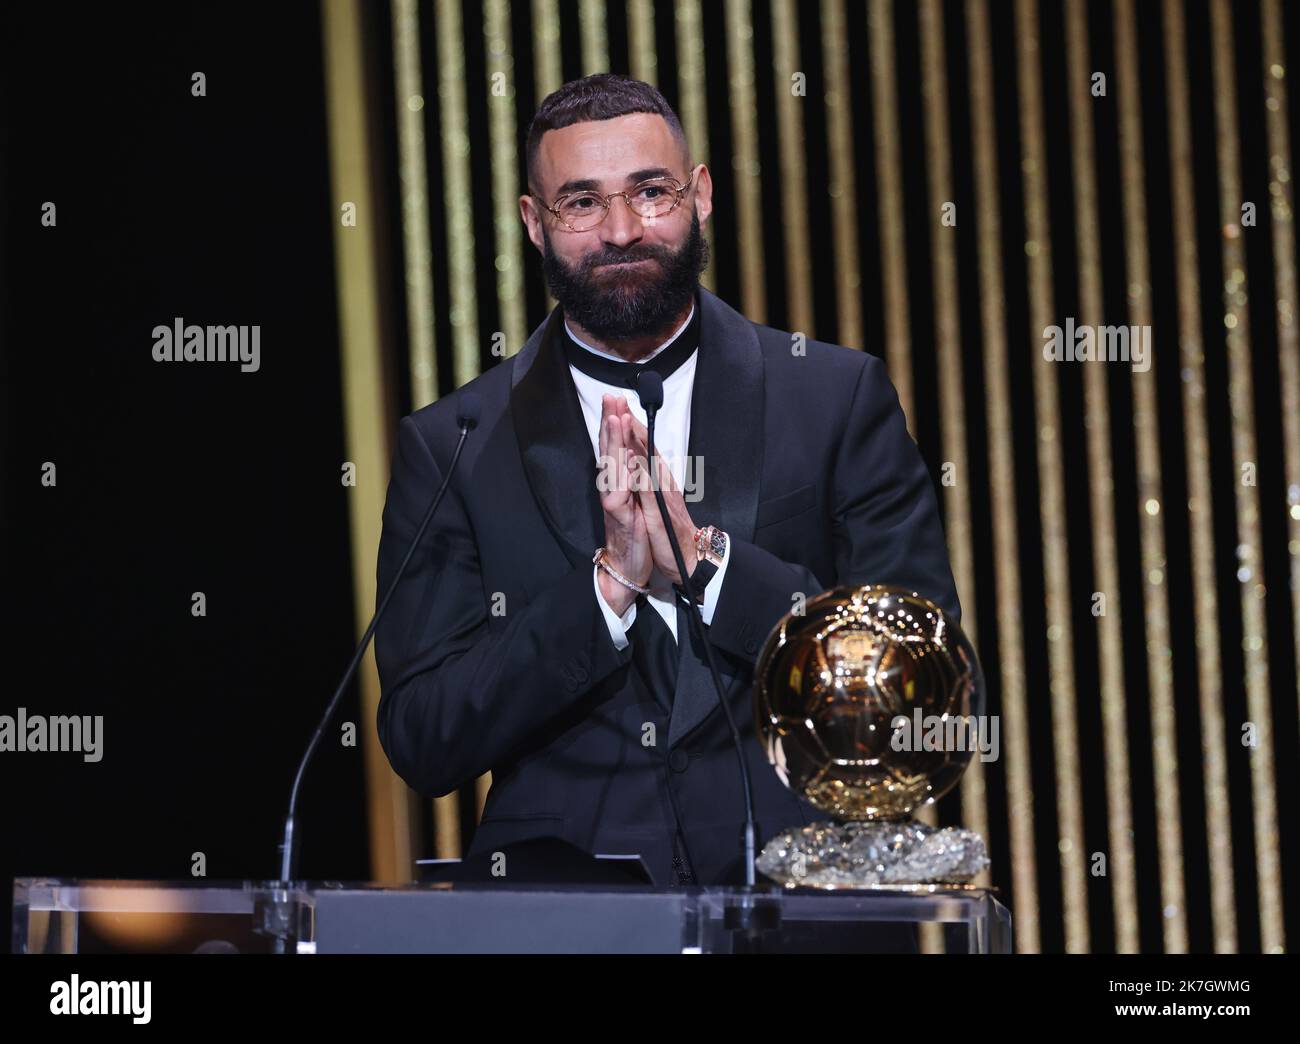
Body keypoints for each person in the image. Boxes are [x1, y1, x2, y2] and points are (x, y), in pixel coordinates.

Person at [374, 73, 959, 894]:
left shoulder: (833, 398)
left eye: (651, 192)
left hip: (801, 901)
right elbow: (423, 737)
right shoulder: (454, 447)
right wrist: (605, 591)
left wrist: (709, 564)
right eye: (581, 203)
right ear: (533, 224)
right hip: (557, 919)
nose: (621, 230)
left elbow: (917, 688)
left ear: (702, 194)